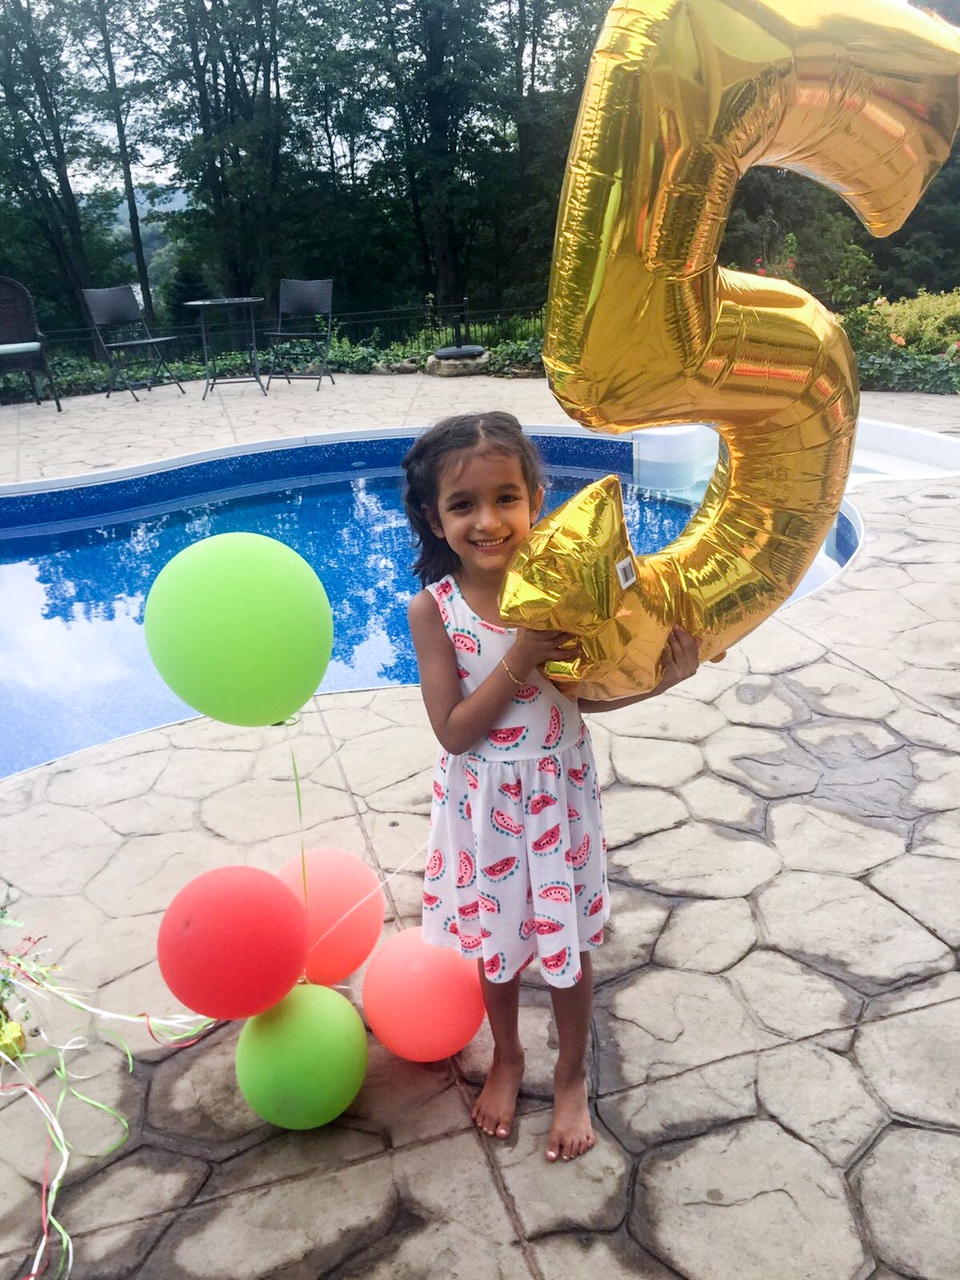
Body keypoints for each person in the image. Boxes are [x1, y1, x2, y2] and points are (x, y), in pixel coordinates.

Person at [402, 411, 700, 1162]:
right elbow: (454, 730)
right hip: (487, 810)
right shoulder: (434, 612)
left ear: (537, 500)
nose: (488, 520)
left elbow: (583, 696)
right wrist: (523, 652)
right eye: (463, 504)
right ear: (433, 519)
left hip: (556, 798)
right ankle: (507, 1055)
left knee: (567, 944)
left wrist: (659, 682)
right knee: (498, 949)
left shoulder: (568, 594)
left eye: (507, 497)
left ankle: (571, 1076)